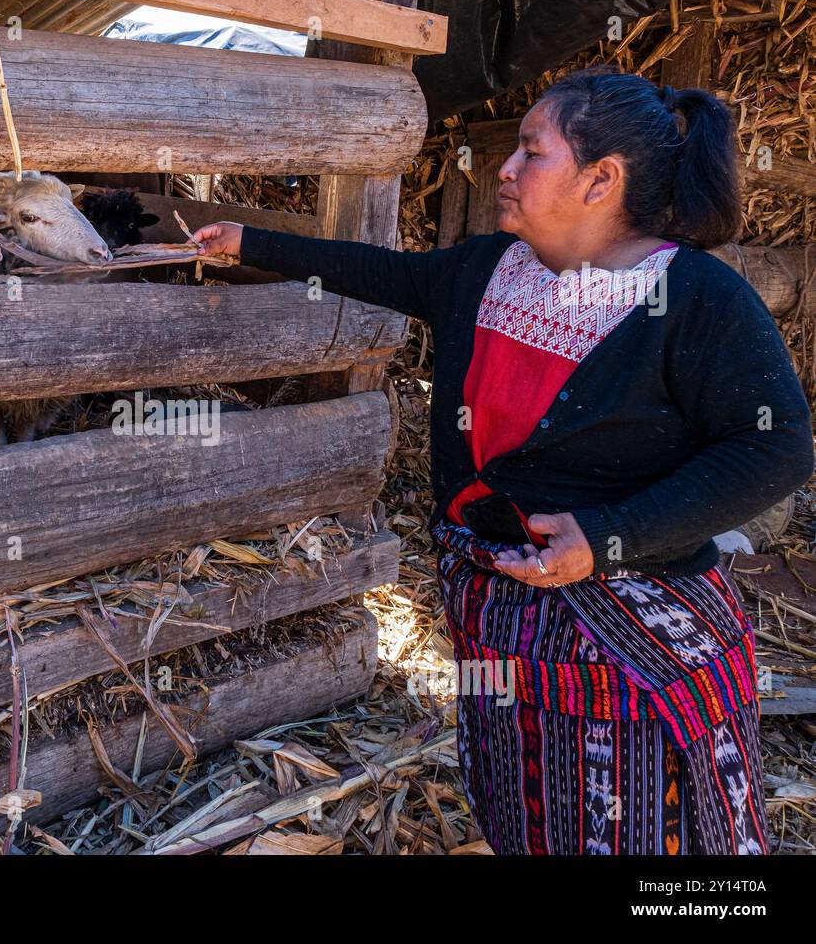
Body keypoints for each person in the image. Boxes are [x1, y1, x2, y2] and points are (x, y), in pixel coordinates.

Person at [189, 64, 813, 855]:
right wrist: (248, 242)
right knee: (528, 802)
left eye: (531, 152)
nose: (506, 170)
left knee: (643, 825)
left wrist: (609, 536)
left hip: (629, 630)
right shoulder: (490, 269)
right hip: (499, 617)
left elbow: (775, 446)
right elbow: (380, 272)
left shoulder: (693, 297)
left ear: (601, 180)